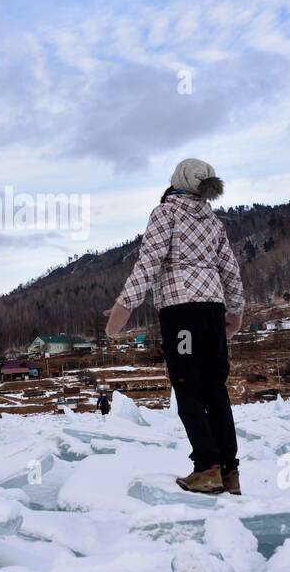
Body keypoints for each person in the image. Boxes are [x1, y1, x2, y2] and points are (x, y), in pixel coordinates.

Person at [104, 158, 245, 494]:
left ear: (177, 180)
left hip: (181, 314)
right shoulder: (212, 222)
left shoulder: (165, 213)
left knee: (187, 386)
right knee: (215, 389)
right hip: (213, 312)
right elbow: (231, 269)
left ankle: (206, 467)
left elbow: (148, 263)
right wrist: (235, 311)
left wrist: (123, 307)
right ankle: (229, 471)